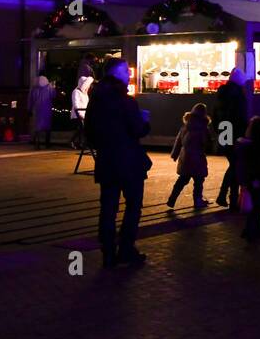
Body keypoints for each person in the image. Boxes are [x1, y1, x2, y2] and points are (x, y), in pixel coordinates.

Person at [84, 58, 152, 268]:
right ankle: (126, 249)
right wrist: (144, 120)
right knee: (133, 206)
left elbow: (90, 133)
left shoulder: (95, 100)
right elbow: (138, 130)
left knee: (108, 208)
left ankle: (108, 253)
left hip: (107, 161)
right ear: (115, 73)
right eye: (125, 70)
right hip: (129, 161)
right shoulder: (126, 101)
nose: (128, 73)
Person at [214, 68, 249, 207]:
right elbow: (238, 116)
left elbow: (217, 114)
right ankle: (226, 196)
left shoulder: (222, 93)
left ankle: (230, 198)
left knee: (233, 164)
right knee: (235, 164)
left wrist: (220, 131)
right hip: (233, 132)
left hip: (224, 130)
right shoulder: (238, 94)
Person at [167, 103, 210, 210]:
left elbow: (178, 141)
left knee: (182, 179)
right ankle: (197, 201)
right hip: (198, 157)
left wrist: (175, 154)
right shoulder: (203, 127)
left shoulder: (186, 126)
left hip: (185, 157)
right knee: (199, 181)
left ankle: (172, 199)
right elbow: (206, 142)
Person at [236, 115, 260, 240]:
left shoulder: (244, 144)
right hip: (258, 179)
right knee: (258, 206)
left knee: (256, 206)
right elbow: (257, 165)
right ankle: (252, 230)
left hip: (250, 179)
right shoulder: (257, 146)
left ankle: (252, 229)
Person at [28, 73, 55, 149]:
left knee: (37, 127)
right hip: (47, 110)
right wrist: (54, 87)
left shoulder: (34, 88)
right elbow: (53, 95)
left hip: (37, 110)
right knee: (47, 127)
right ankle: (47, 144)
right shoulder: (49, 87)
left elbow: (30, 100)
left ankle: (37, 144)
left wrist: (29, 109)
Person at [70, 73, 93, 151]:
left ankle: (80, 143)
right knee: (81, 129)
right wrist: (79, 114)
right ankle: (72, 141)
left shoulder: (85, 94)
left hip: (84, 114)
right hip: (77, 115)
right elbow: (76, 104)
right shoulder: (76, 92)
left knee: (82, 129)